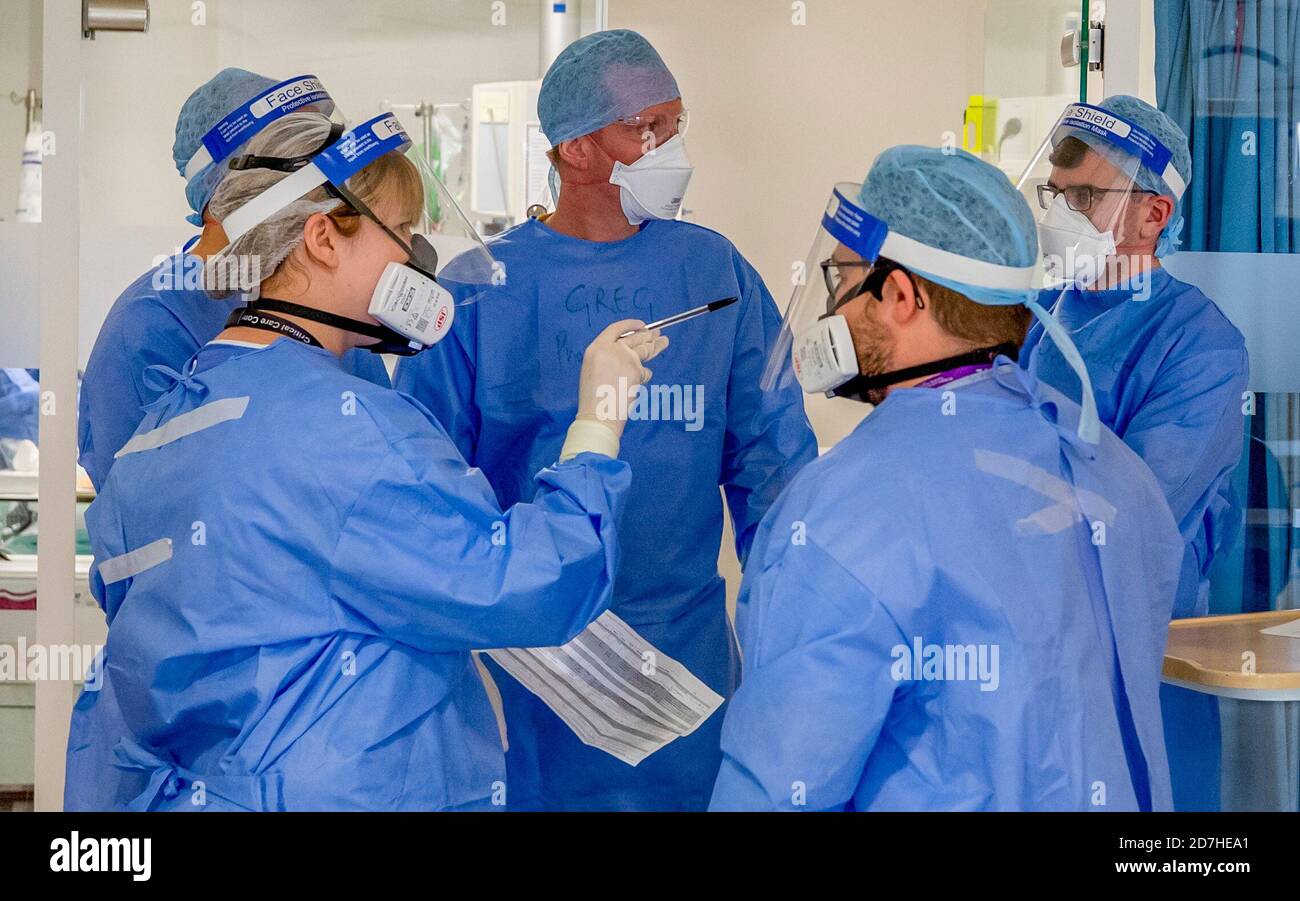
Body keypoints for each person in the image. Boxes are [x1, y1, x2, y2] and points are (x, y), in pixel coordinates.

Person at [63, 110, 667, 811]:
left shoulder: (162, 433)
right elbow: (526, 584)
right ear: (323, 236)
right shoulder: (343, 433)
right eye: (404, 232)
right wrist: (598, 422)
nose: (418, 257)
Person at [394, 29, 816, 811]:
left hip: (683, 658)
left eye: (675, 125)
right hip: (530, 659)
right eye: (645, 129)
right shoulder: (481, 291)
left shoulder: (714, 273)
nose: (670, 149)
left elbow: (775, 469)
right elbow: (424, 495)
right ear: (576, 149)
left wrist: (798, 634)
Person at [708, 146, 1186, 811]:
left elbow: (776, 788)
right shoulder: (1115, 470)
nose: (832, 307)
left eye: (842, 278)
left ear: (901, 295)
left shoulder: (842, 511)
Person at [1018, 95, 1249, 811]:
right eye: (1056, 192)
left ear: (1153, 215)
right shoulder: (1043, 316)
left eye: (1085, 195)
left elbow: (1120, 510)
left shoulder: (1201, 344)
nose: (1059, 212)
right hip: (1035, 652)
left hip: (1135, 659)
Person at [77, 69, 390, 492]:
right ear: (231, 184)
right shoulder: (151, 322)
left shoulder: (328, 298)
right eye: (298, 166)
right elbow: (149, 506)